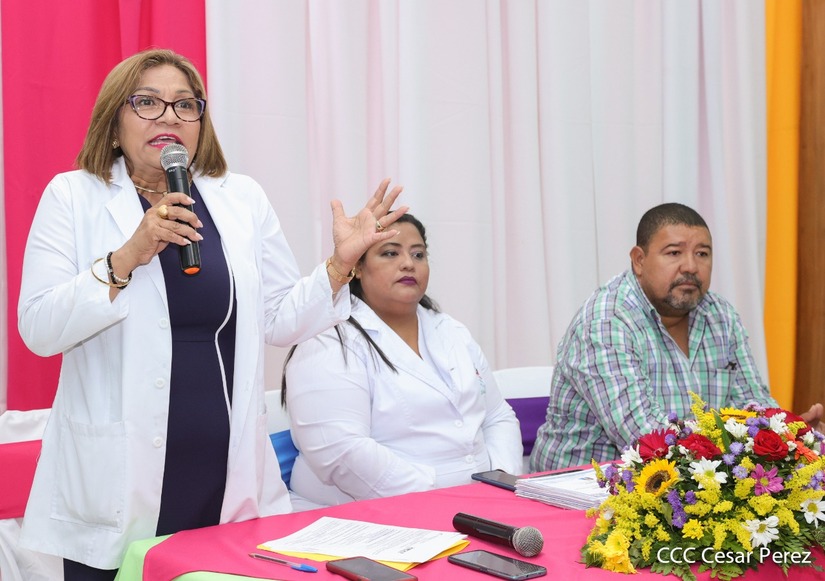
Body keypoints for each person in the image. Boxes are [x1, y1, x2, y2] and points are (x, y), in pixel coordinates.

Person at [16, 48, 406, 580]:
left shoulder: (239, 198)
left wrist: (339, 267)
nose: (169, 117)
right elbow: (39, 328)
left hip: (225, 473)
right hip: (116, 484)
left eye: (185, 105)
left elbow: (278, 319)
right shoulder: (73, 197)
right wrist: (126, 257)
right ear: (114, 122)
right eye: (147, 103)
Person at [530, 202, 824, 472]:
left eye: (702, 253)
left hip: (686, 484)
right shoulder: (607, 320)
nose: (691, 266)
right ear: (639, 260)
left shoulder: (721, 316)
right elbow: (646, 438)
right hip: (579, 491)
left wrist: (784, 432)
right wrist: (744, 439)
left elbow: (752, 404)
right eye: (674, 253)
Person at [282, 213, 523, 508]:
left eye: (418, 254)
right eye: (390, 253)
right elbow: (342, 451)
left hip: (480, 505)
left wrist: (500, 481)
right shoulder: (327, 339)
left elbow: (497, 416)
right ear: (357, 267)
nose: (409, 263)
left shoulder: (450, 330)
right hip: (365, 516)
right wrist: (440, 498)